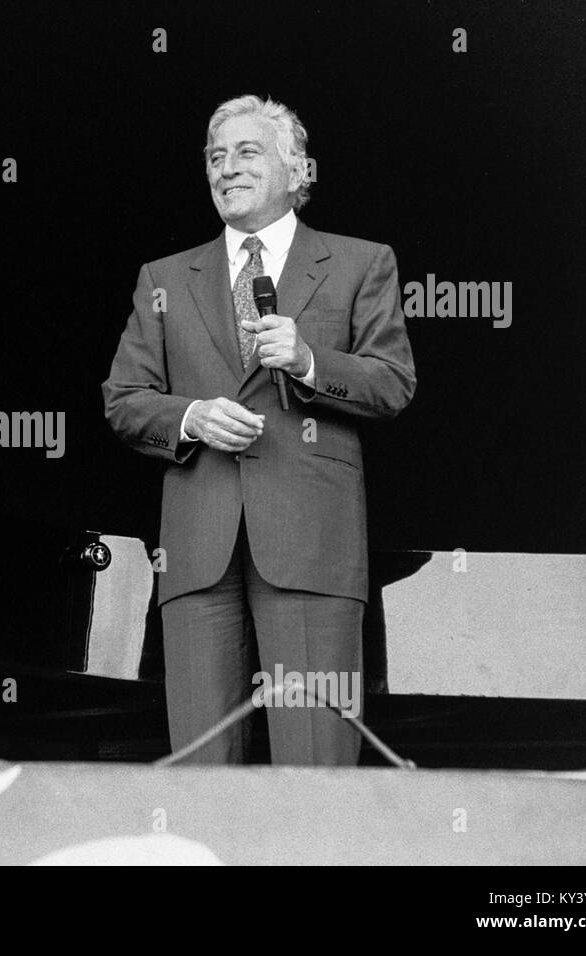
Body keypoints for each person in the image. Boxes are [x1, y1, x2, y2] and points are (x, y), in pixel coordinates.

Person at [102, 95, 416, 765]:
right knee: (201, 776)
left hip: (311, 547)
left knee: (314, 771)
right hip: (197, 553)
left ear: (298, 170)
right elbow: (124, 400)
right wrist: (191, 417)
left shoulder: (361, 263)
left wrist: (308, 360)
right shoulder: (162, 278)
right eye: (216, 156)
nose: (227, 168)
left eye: (247, 152)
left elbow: (392, 383)